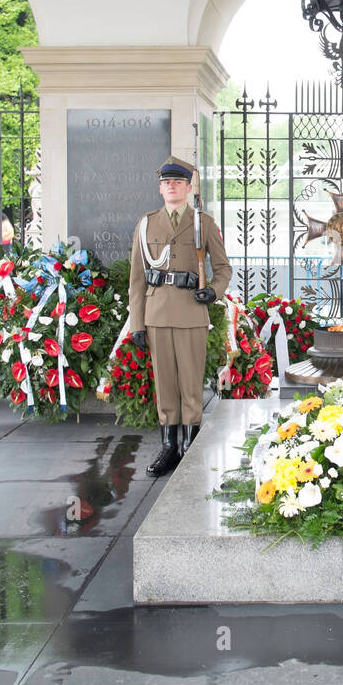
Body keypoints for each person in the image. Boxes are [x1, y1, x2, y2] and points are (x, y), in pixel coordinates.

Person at [128, 156, 232, 477]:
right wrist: (137, 324)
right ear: (160, 189)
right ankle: (169, 446)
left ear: (188, 188)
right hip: (157, 313)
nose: (171, 187)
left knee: (190, 383)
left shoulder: (203, 222)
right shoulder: (146, 224)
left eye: (177, 183)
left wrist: (212, 291)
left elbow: (223, 269)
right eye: (166, 183)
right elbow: (137, 277)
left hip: (190, 311)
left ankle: (190, 443)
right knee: (166, 385)